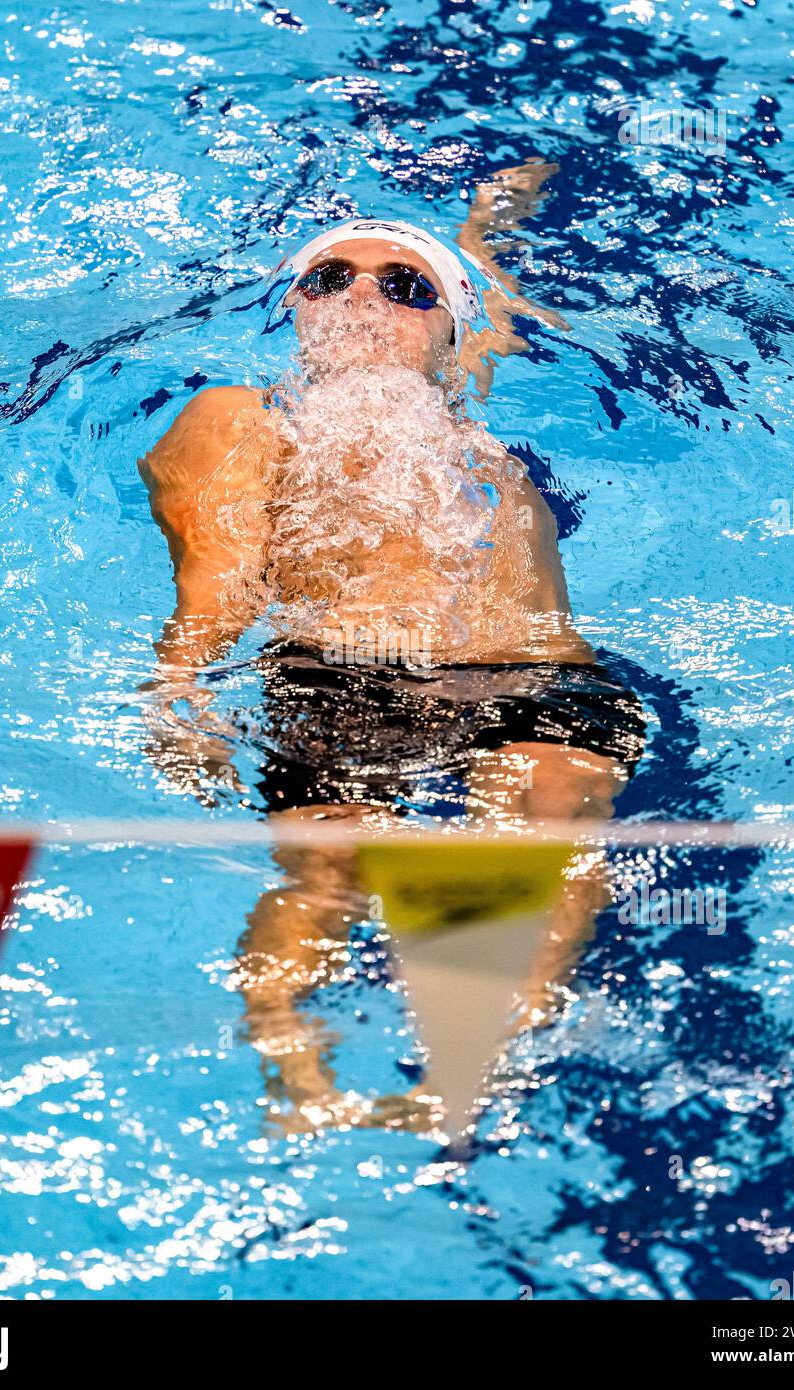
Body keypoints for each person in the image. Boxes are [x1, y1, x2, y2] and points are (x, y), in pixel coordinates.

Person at [139, 161, 645, 1136]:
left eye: (404, 285)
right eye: (330, 278)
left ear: (444, 336)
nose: (364, 294)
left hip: (531, 666)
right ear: (296, 313)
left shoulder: (452, 411)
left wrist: (488, 224)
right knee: (331, 865)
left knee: (548, 819)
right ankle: (294, 1060)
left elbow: (489, 313)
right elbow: (218, 570)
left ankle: (483, 1062)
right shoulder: (245, 418)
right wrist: (179, 683)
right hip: (345, 667)